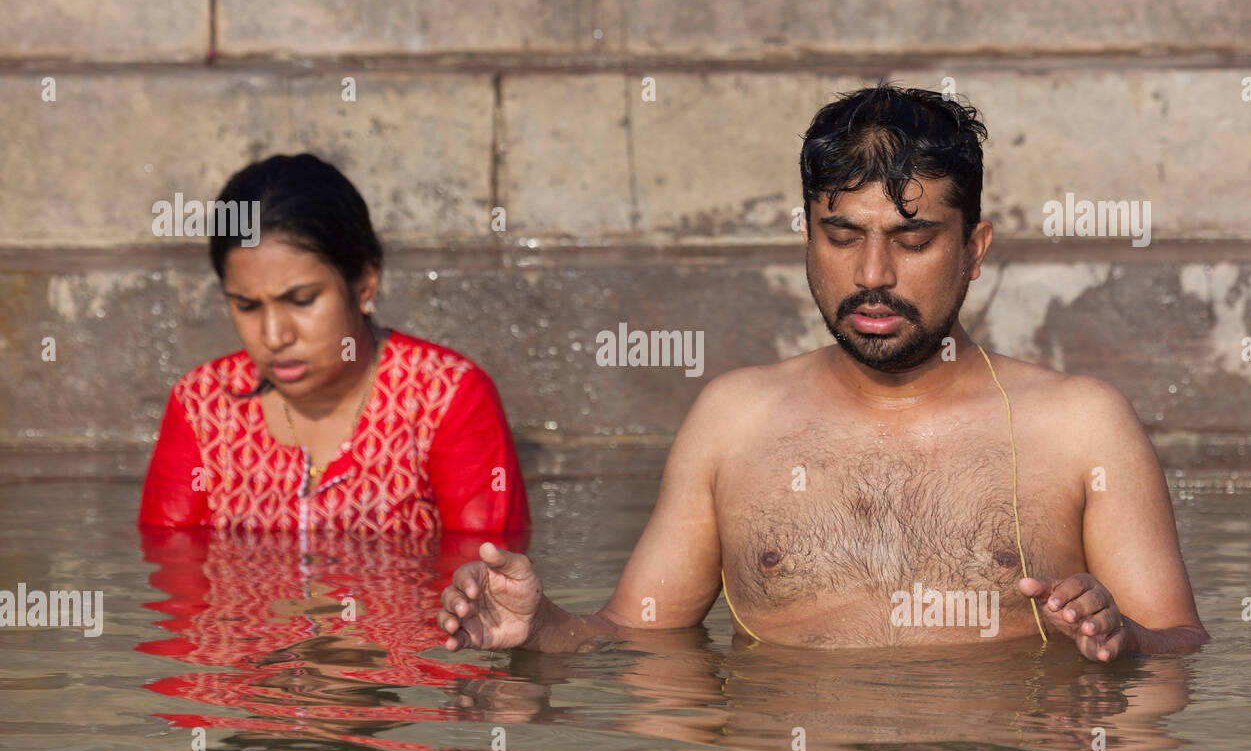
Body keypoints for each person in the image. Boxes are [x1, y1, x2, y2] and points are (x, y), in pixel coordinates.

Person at [437, 82, 1209, 660]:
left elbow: (1179, 644)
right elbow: (633, 639)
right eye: (843, 235)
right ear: (807, 234)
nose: (872, 273)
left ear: (974, 249)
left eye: (912, 241)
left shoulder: (1081, 425)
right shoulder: (732, 420)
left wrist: (1127, 636)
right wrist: (537, 629)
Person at [138, 153, 530, 537]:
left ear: (365, 281)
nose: (274, 337)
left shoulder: (444, 399)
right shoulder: (204, 404)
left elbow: (486, 575)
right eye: (246, 306)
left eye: (302, 300)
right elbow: (174, 574)